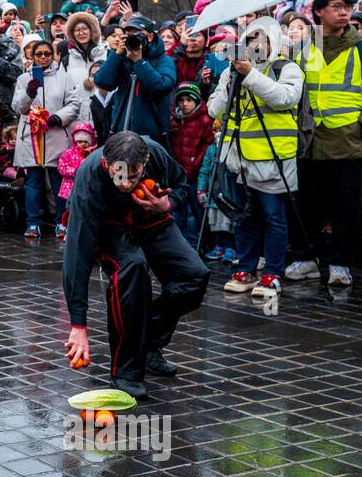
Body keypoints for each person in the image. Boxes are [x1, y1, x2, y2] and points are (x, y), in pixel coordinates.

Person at [62, 131, 210, 401]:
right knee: (132, 269)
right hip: (108, 227)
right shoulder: (89, 176)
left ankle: (148, 342)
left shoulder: (156, 153)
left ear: (145, 163)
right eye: (118, 175)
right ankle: (127, 371)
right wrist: (78, 324)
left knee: (194, 276)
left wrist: (166, 203)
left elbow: (180, 185)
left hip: (150, 214)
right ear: (106, 163)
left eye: (133, 176)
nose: (125, 184)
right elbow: (77, 253)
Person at [285, 0, 362, 286]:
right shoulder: (301, 50)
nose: (344, 11)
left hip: (348, 145)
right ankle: (305, 258)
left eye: (347, 6)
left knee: (346, 208)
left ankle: (340, 263)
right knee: (305, 205)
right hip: (308, 144)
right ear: (318, 11)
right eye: (335, 6)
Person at [206, 30, 304, 299]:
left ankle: (272, 272)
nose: (256, 46)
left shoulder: (287, 67)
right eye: (251, 41)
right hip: (237, 159)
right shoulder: (230, 72)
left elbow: (285, 97)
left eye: (263, 41)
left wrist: (250, 75)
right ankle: (247, 269)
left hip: (272, 157)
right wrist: (231, 83)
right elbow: (213, 110)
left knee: (273, 217)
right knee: (243, 217)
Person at [14, 37, 78, 239]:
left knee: (58, 182)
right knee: (33, 182)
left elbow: (74, 104)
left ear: (54, 55)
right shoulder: (24, 79)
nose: (43, 58)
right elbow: (18, 107)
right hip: (30, 138)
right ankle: (33, 223)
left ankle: (61, 221)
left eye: (47, 54)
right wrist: (29, 92)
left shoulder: (64, 77)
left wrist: (56, 118)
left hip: (55, 135)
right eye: (38, 54)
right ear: (32, 56)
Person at [94, 15, 178, 141]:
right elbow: (102, 82)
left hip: (152, 134)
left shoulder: (162, 60)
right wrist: (116, 55)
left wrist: (139, 62)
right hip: (121, 130)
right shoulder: (122, 58)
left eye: (138, 34)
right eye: (129, 35)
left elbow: (161, 86)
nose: (133, 38)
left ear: (150, 37)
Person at [168, 83, 214, 246]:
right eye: (181, 100)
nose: (184, 104)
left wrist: (194, 165)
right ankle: (180, 246)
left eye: (188, 100)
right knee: (178, 212)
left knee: (196, 213)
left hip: (195, 175)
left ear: (196, 101)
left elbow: (208, 145)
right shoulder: (174, 119)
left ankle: (198, 246)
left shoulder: (204, 119)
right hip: (178, 176)